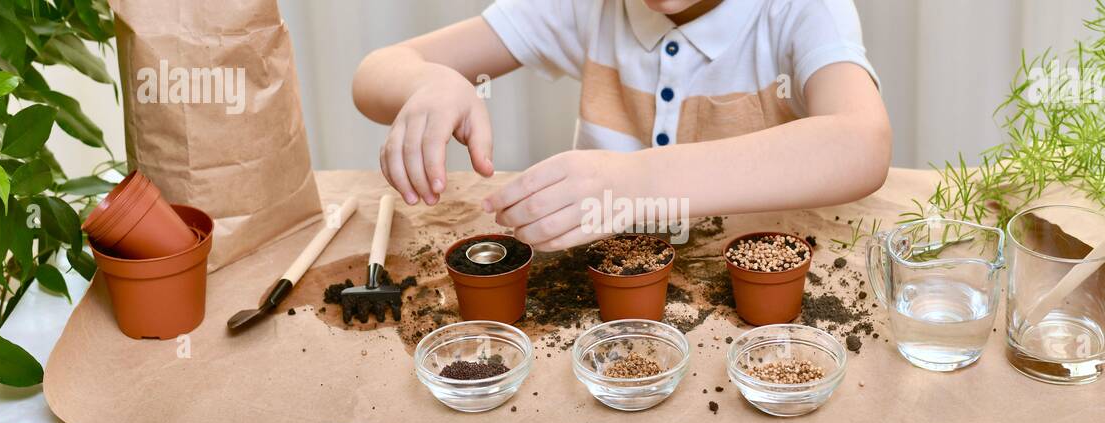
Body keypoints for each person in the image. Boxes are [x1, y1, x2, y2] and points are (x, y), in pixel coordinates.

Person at [352, 0, 891, 251]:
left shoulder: (802, 10)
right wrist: (428, 83)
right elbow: (376, 71)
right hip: (606, 303)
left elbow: (861, 142)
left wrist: (639, 182)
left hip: (760, 306)